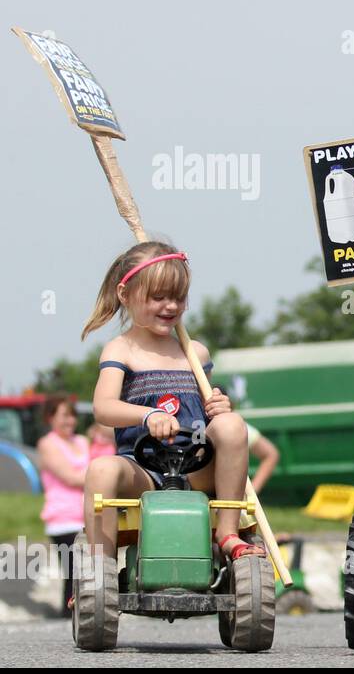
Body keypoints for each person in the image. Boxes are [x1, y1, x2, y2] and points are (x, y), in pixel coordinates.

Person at [80, 241, 258, 564]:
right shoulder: (120, 350)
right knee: (101, 469)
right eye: (158, 297)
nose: (170, 306)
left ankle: (228, 533)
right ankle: (98, 568)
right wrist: (147, 415)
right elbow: (103, 407)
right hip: (142, 471)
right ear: (125, 295)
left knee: (232, 425)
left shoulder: (195, 353)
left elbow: (209, 413)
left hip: (195, 468)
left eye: (178, 297)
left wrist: (218, 407)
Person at [36, 395, 87, 616]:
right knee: (73, 571)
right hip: (63, 519)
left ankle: (77, 615)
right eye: (64, 416)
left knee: (85, 572)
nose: (70, 421)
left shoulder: (82, 441)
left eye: (72, 415)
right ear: (50, 418)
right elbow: (71, 477)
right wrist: (100, 475)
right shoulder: (47, 444)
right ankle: (68, 616)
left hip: (86, 516)